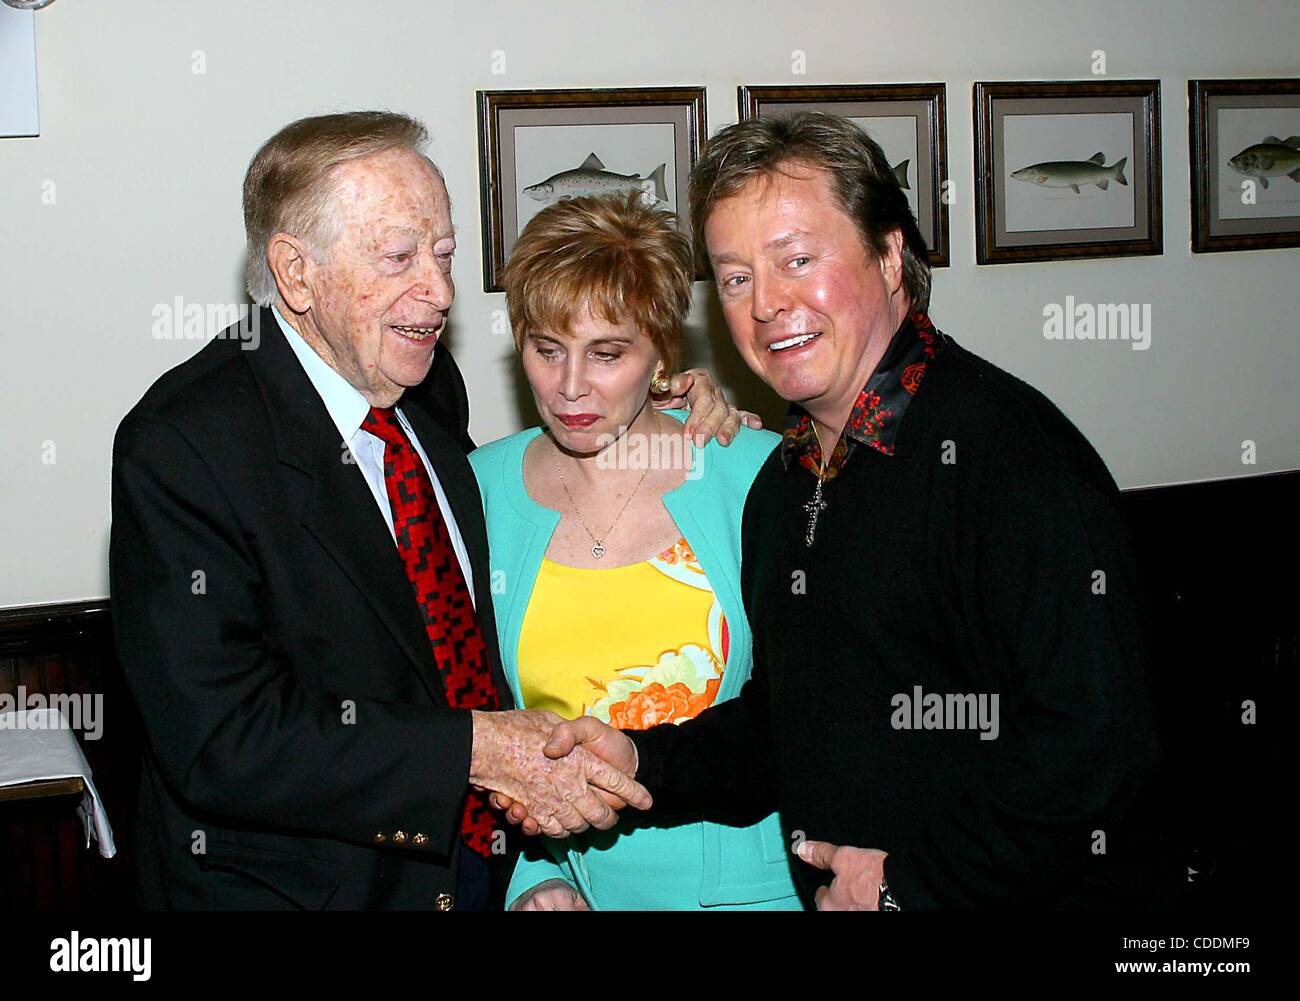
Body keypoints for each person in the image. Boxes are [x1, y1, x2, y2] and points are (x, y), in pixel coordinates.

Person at [498, 112, 1176, 910]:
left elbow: (1099, 743)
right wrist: (641, 760)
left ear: (891, 256)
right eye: (739, 276)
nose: (767, 303)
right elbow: (786, 727)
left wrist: (909, 888)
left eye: (798, 259)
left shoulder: (1010, 456)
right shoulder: (788, 477)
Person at [109, 111, 746, 910]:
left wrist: (673, 405)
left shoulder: (421, 384)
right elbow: (221, 740)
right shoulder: (183, 446)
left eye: (443, 255)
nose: (442, 293)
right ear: (297, 274)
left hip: (472, 874)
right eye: (400, 257)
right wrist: (476, 749)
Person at [469, 193, 801, 910]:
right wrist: (532, 874)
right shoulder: (477, 491)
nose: (569, 386)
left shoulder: (752, 474)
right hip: (572, 889)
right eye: (546, 347)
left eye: (607, 353)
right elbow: (471, 717)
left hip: (757, 890)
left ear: (661, 350)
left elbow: (809, 718)